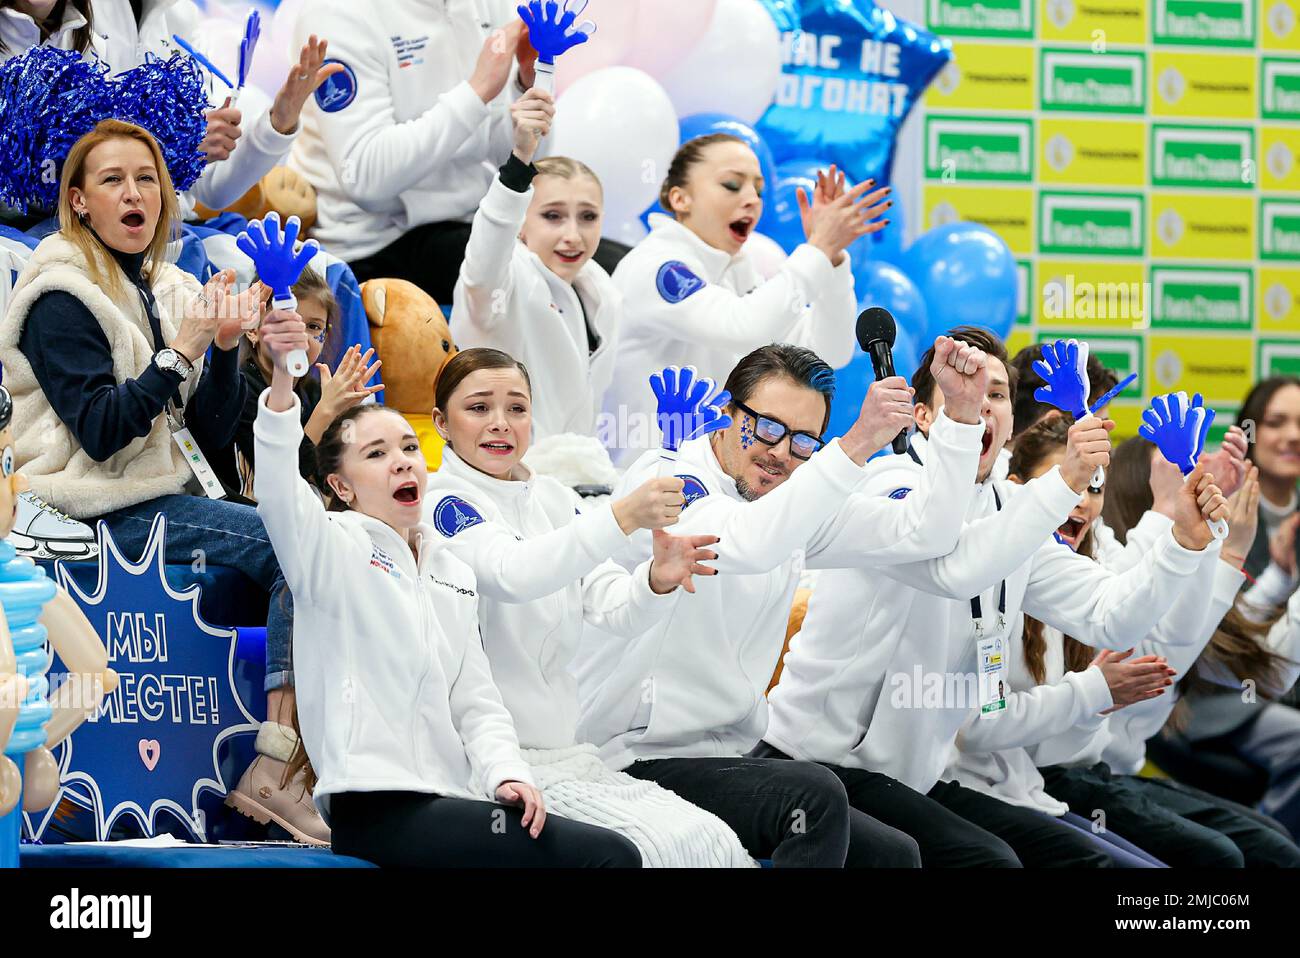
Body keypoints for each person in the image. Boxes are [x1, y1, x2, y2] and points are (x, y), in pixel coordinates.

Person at [762, 326, 1231, 867]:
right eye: (961, 390)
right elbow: (955, 569)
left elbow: (1111, 617)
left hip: (913, 781)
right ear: (923, 416)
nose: (981, 404)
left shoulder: (1012, 509)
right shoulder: (891, 484)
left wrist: (1183, 542)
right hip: (817, 764)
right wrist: (1065, 480)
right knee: (990, 862)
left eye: (997, 394)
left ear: (1010, 421)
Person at [0, 119, 326, 843]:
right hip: (89, 508)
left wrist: (227, 351)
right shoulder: (59, 294)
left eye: (146, 179)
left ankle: (318, 761)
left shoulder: (172, 286)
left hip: (165, 499)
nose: (134, 193)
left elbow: (206, 434)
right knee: (295, 545)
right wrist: (182, 350)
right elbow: (102, 431)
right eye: (113, 180)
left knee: (321, 537)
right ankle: (275, 768)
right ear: (78, 201)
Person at [576, 336, 993, 867]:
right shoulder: (669, 477)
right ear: (726, 414)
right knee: (812, 796)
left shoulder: (789, 503)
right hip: (631, 754)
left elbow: (926, 534)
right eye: (767, 428)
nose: (780, 453)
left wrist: (961, 418)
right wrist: (858, 442)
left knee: (894, 854)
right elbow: (745, 543)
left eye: (802, 442)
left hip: (725, 756)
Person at [252, 311, 640, 867]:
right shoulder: (328, 550)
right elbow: (277, 492)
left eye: (409, 448)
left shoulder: (450, 568)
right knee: (609, 856)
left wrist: (507, 774)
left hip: (452, 795)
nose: (401, 463)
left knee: (611, 848)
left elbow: (476, 699)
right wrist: (283, 382)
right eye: (376, 454)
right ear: (341, 485)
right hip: (375, 804)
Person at [422, 347, 753, 867]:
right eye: (479, 407)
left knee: (715, 843)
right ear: (441, 422)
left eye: (517, 408)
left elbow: (615, 607)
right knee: (645, 851)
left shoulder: (554, 499)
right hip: (489, 762)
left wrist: (656, 580)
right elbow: (514, 573)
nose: (500, 423)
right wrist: (622, 516)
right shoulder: (441, 502)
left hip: (569, 754)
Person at [953, 417, 1299, 868]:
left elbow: (1167, 639)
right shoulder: (998, 567)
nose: (1080, 498)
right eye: (1066, 480)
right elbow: (989, 730)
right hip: (1039, 780)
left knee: (1261, 847)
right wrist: (1174, 520)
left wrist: (1213, 544)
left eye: (1094, 486)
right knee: (1229, 855)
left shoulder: (1093, 556)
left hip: (1073, 774)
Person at [604, 136, 889, 465]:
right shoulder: (655, 265)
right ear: (680, 198)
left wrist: (833, 258)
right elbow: (744, 327)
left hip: (708, 481)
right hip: (642, 480)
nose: (752, 199)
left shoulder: (737, 270)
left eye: (759, 190)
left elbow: (828, 351)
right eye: (732, 185)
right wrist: (817, 249)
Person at [289, 0, 581, 305]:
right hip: (373, 243)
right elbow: (364, 177)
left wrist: (526, 83)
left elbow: (511, 157)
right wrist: (477, 91)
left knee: (595, 270)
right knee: (543, 284)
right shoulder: (336, 12)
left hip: (471, 219)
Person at [1102, 434, 1300, 853]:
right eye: (1179, 475)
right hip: (1095, 775)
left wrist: (1247, 559)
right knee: (1260, 851)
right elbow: (1172, 655)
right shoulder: (1114, 575)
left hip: (1122, 771)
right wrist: (1225, 551)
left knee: (1273, 844)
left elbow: (1249, 658)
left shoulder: (1186, 568)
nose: (1198, 488)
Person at [452, 85, 619, 443]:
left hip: (576, 467)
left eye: (588, 217)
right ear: (520, 222)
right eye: (553, 216)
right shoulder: (505, 281)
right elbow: (485, 262)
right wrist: (520, 160)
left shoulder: (603, 294)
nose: (573, 235)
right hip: (498, 464)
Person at [212, 266, 380, 499]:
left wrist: (343, 417)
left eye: (314, 327)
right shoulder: (240, 388)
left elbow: (328, 481)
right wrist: (326, 411)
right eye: (286, 322)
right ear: (253, 330)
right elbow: (285, 475)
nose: (300, 335)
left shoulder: (313, 392)